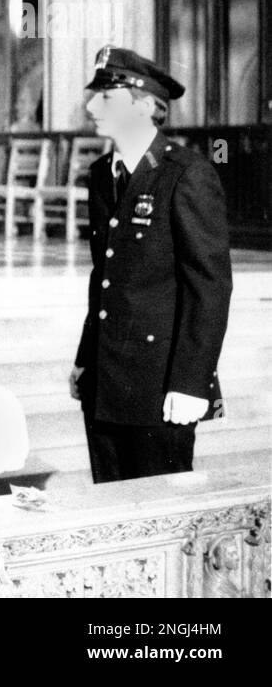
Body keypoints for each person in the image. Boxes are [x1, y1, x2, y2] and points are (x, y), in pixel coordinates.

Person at [69, 45, 232, 483]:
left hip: (160, 386)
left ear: (144, 105)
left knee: (162, 516)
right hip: (106, 380)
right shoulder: (103, 174)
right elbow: (104, 276)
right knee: (110, 506)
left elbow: (209, 288)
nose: (90, 106)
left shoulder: (187, 173)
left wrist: (192, 381)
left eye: (106, 96)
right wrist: (86, 357)